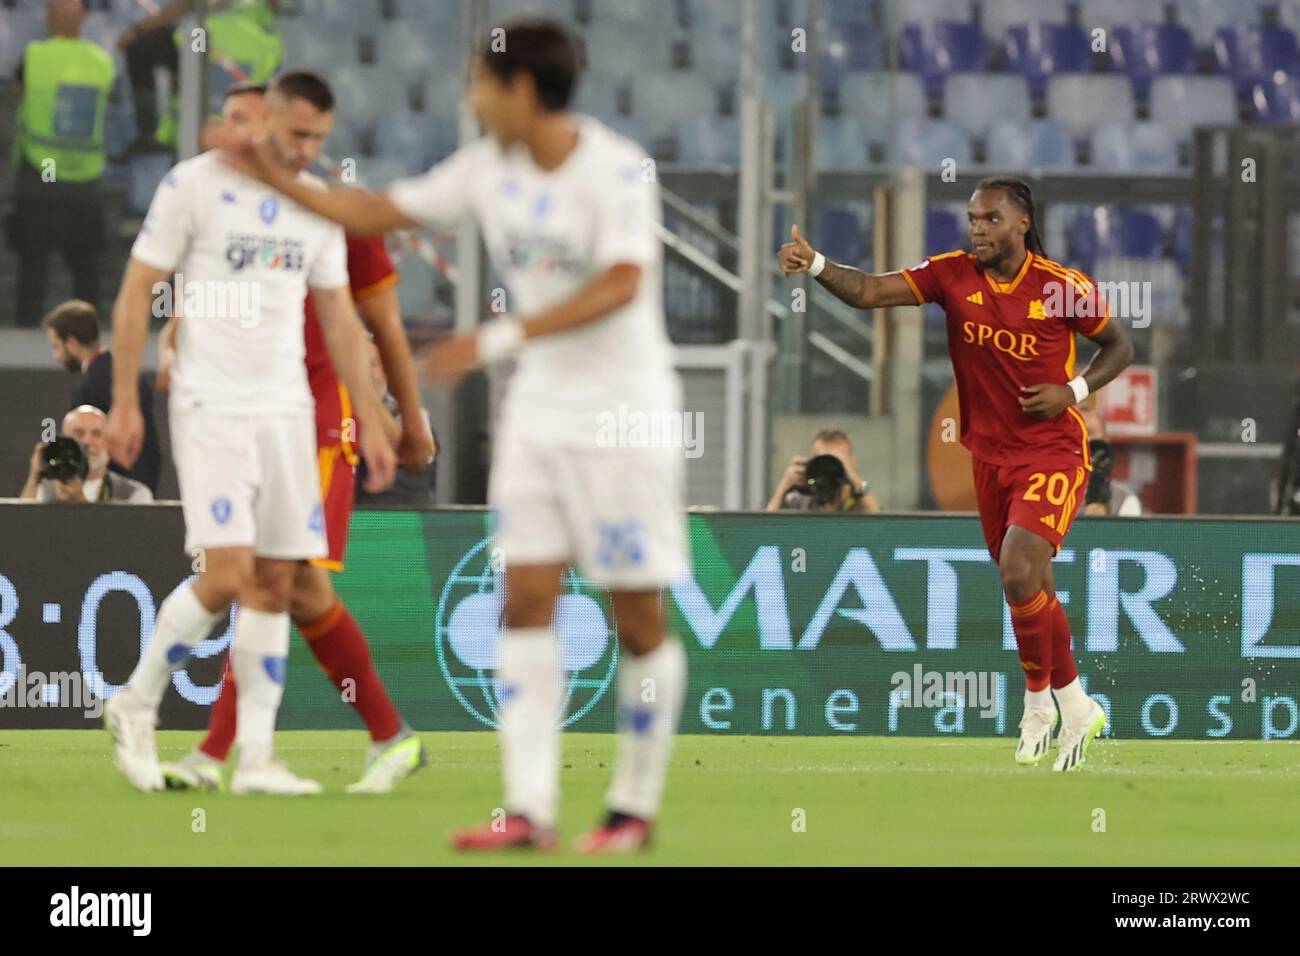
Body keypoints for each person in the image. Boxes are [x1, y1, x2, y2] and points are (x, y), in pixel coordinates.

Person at [217, 17, 689, 852]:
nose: (467, 96)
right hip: (540, 412)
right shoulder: (485, 167)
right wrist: (269, 173)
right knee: (525, 600)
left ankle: (631, 809)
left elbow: (623, 281)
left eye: (478, 82)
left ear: (520, 90)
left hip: (627, 413)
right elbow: (371, 207)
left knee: (637, 617)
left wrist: (499, 339)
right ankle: (532, 811)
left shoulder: (613, 169)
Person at [101, 70, 397, 797]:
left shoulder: (315, 207)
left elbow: (336, 315)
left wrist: (373, 414)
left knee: (272, 582)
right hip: (211, 405)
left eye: (320, 139)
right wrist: (125, 399)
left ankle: (256, 761)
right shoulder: (193, 186)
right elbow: (139, 288)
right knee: (228, 574)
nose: (307, 150)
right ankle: (134, 702)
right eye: (297, 134)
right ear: (263, 120)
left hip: (288, 412)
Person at [778, 175, 1135, 772]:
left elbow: (1120, 347)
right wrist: (815, 263)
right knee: (1031, 583)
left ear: (1022, 224)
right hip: (990, 458)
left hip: (1052, 451)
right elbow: (869, 291)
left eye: (990, 219)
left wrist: (1071, 392)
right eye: (972, 218)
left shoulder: (1062, 287)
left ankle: (1035, 705)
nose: (977, 229)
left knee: (1019, 570)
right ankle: (1076, 705)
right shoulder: (952, 274)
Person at [8, 0, 114, 323]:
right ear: (83, 17)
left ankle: (26, 334)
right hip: (84, 179)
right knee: (86, 270)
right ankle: (89, 339)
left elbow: (15, 93)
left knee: (34, 268)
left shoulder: (35, 56)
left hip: (44, 173)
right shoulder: (102, 62)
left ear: (48, 16)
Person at [116, 0, 282, 151]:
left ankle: (151, 133)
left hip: (209, 35)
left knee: (171, 51)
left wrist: (138, 29)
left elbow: (188, 5)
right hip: (262, 47)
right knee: (191, 58)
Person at [42, 299, 161, 494]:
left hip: (111, 498)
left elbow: (87, 456)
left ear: (71, 344)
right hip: (144, 486)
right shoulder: (128, 375)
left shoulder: (91, 387)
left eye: (56, 346)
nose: (55, 356)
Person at [20, 405, 152, 503]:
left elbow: (133, 535)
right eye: (79, 434)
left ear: (108, 441)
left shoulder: (134, 494)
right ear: (64, 440)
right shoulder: (46, 489)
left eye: (96, 434)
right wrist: (34, 476)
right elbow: (20, 526)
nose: (88, 441)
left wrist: (79, 502)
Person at [767, 427, 882, 512]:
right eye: (822, 460)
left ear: (852, 464)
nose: (828, 467)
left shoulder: (859, 499)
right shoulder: (801, 498)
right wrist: (783, 488)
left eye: (837, 460)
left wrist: (857, 484)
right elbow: (765, 536)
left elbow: (881, 529)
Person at [1076, 406, 1142, 517]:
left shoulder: (1124, 500)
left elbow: (1129, 533)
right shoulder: (1046, 494)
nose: (1083, 441)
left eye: (1089, 433)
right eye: (1076, 434)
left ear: (1104, 442)